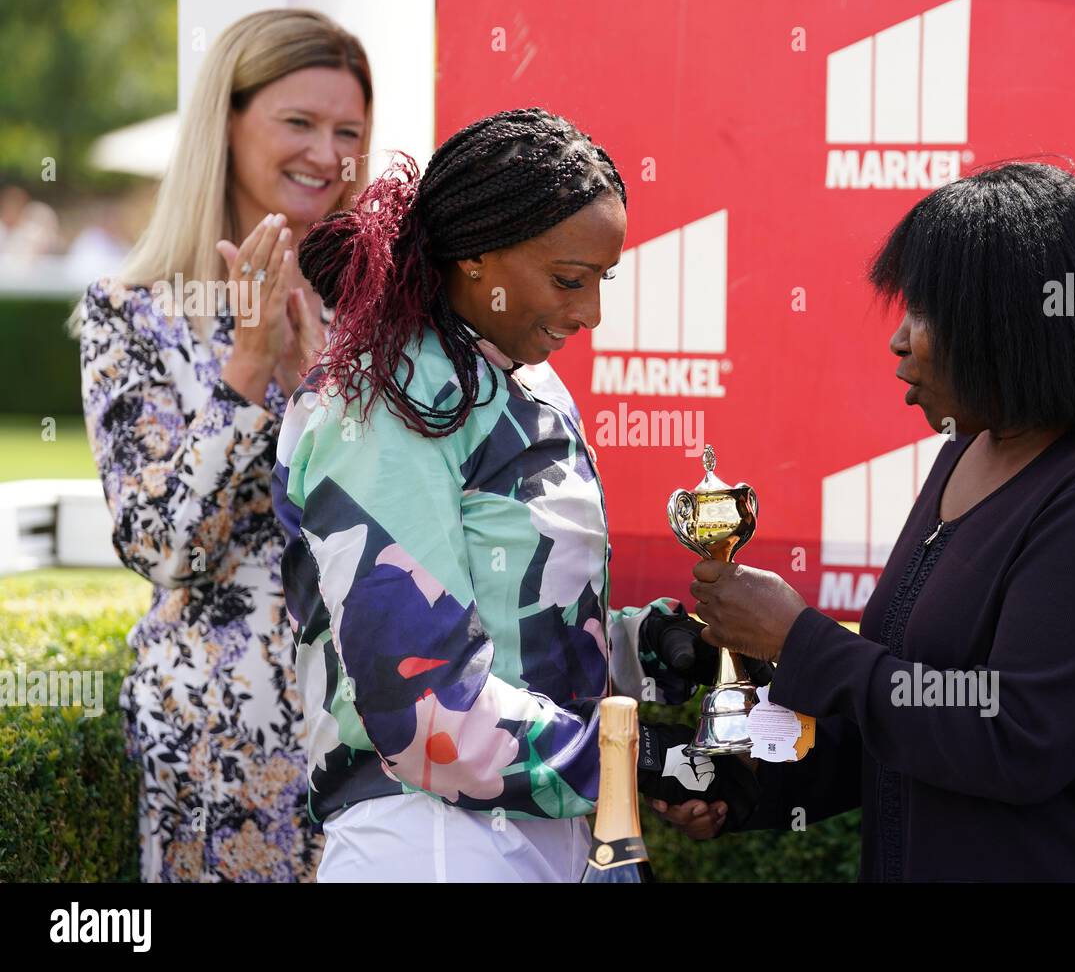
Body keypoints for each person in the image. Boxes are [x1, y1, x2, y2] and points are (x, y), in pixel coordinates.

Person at [673, 161, 1075, 881]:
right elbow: (915, 706)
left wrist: (803, 642)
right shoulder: (971, 445)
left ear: (1013, 325)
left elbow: (1013, 737)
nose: (900, 339)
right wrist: (750, 788)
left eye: (927, 311)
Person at [273, 107, 755, 882]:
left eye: (603, 279)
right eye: (569, 280)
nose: (590, 313)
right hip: (429, 839)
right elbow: (422, 705)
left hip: (556, 835)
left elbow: (518, 631)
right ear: (475, 258)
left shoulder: (515, 370)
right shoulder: (386, 397)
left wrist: (661, 650)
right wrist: (645, 760)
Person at [75, 9, 371, 881]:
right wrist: (247, 366)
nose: (326, 153)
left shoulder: (376, 312)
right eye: (299, 123)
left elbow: (396, 524)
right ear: (228, 121)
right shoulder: (131, 311)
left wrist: (319, 375)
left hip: (369, 729)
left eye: (347, 130)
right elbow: (161, 547)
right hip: (216, 741)